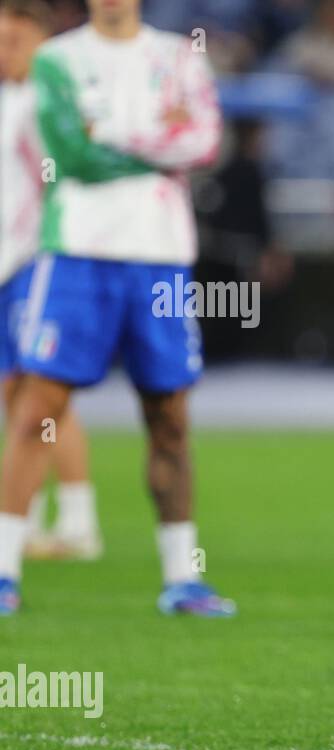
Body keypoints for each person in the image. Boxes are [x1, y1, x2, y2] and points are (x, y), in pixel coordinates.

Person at [0, 0, 232, 616]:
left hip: (159, 255)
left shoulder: (180, 57)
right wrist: (159, 141)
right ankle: (4, 572)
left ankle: (183, 576)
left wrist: (110, 133)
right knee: (35, 408)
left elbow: (205, 143)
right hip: (77, 252)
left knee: (170, 416)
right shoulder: (57, 58)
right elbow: (70, 155)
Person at [0, 0, 101, 563]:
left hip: (39, 262)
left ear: (41, 41)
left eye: (14, 41)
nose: (3, 51)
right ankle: (35, 516)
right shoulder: (11, 99)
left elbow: (57, 188)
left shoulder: (48, 100)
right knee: (18, 396)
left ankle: (79, 520)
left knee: (42, 396)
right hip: (10, 267)